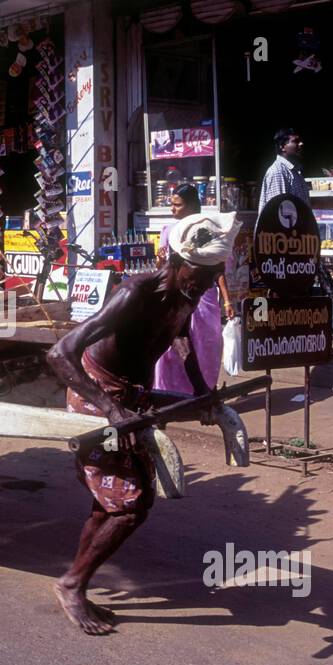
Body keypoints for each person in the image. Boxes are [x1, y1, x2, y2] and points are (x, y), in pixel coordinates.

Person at [46, 213, 241, 635]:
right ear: (177, 261)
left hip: (132, 395)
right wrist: (110, 409)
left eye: (215, 275)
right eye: (203, 273)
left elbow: (181, 337)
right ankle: (72, 584)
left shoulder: (187, 292)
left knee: (117, 501)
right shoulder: (135, 292)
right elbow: (60, 353)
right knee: (131, 507)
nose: (208, 283)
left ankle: (75, 579)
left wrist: (201, 390)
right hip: (96, 391)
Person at [154, 184, 234, 396]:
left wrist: (227, 301)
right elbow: (163, 270)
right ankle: (169, 393)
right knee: (171, 348)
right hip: (176, 296)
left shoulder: (206, 230)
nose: (172, 209)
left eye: (177, 205)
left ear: (190, 207)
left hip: (203, 298)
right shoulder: (168, 231)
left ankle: (203, 390)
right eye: (171, 204)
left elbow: (218, 269)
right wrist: (161, 260)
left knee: (205, 345)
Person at [258, 127, 310, 213]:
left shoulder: (295, 172)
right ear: (282, 147)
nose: (301, 144)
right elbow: (278, 214)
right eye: (295, 141)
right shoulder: (278, 172)